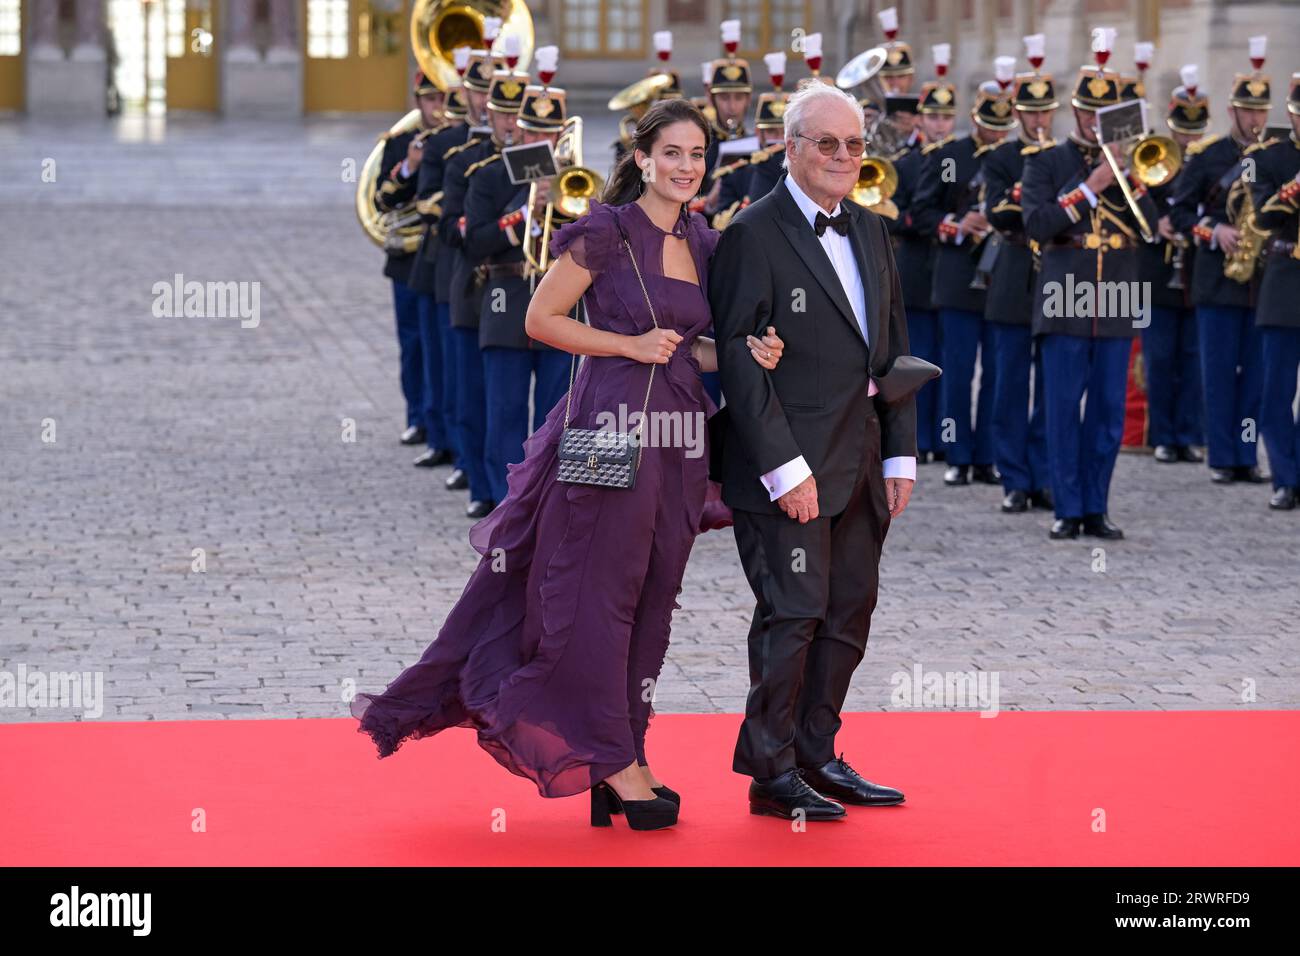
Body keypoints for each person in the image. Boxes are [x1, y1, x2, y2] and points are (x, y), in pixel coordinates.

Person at [351, 98, 786, 831]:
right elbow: (541, 321)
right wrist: (627, 344)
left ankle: (628, 752)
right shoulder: (605, 233)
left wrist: (743, 354)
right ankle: (608, 758)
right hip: (606, 431)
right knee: (598, 599)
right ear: (643, 157)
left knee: (654, 602)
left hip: (680, 439)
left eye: (698, 156)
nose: (687, 168)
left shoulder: (706, 243)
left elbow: (694, 350)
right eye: (673, 153)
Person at [709, 80, 916, 821]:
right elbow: (738, 360)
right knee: (793, 613)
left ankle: (816, 753)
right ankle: (770, 771)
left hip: (860, 461)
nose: (842, 156)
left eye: (854, 144)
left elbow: (891, 350)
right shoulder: (751, 233)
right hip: (787, 467)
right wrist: (783, 470)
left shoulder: (870, 228)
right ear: (789, 146)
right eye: (825, 142)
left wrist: (900, 455)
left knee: (848, 611)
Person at [1021, 50, 1159, 540]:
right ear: (1073, 112)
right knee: (1061, 408)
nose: (1091, 121)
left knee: (1107, 411)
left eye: (1101, 114)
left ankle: (1096, 506)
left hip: (1117, 295)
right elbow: (1037, 225)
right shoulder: (1046, 162)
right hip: (1064, 294)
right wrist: (1093, 186)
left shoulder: (1129, 165)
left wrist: (1131, 179)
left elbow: (1154, 229)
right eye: (1084, 112)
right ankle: (1067, 506)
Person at [1169, 40, 1271, 485]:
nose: (1255, 119)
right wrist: (1216, 232)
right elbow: (1179, 211)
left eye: (1261, 110)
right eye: (1248, 110)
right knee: (1218, 372)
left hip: (1264, 283)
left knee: (1256, 378)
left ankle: (1247, 456)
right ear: (1232, 110)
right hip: (1215, 280)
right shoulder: (1207, 156)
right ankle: (1222, 457)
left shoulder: (1279, 156)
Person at [911, 71, 1017, 486]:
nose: (995, 134)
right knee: (956, 371)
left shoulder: (1017, 159)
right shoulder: (950, 157)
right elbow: (922, 212)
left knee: (997, 371)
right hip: (957, 277)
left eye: (1002, 128)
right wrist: (957, 224)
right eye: (990, 126)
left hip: (1002, 277)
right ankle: (956, 452)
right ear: (975, 120)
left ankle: (987, 456)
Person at [980, 52, 1058, 514]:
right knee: (1009, 383)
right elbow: (998, 211)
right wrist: (1038, 205)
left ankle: (1044, 474)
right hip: (1012, 272)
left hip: (1056, 273)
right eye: (1030, 112)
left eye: (1045, 110)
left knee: (1053, 384)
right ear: (1018, 114)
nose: (1038, 118)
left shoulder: (1063, 155)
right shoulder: (1001, 158)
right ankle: (1013, 476)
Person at [1139, 70, 1209, 466]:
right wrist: (1156, 222)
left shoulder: (1208, 162)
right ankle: (1163, 435)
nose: (1189, 138)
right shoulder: (1153, 156)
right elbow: (1134, 196)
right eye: (1184, 130)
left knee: (1192, 357)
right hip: (1155, 273)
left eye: (1195, 130)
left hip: (1194, 272)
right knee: (1160, 358)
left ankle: (1190, 433)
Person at [1250, 73, 1300, 510]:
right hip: (1286, 277)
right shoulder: (1269, 158)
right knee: (1276, 389)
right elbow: (1262, 216)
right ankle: (1285, 477)